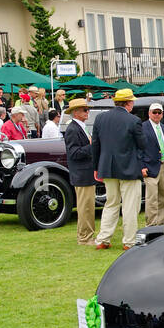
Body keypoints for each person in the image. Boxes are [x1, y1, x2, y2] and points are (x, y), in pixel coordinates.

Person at [92, 88, 148, 250]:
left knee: (111, 203)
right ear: (129, 103)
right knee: (130, 206)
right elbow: (142, 144)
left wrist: (96, 167)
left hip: (107, 167)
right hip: (129, 168)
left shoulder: (101, 118)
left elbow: (95, 145)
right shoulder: (134, 120)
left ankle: (103, 239)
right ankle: (129, 241)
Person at [62, 98, 97, 246]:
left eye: (87, 109)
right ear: (75, 112)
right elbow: (74, 153)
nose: (87, 112)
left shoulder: (80, 127)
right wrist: (91, 146)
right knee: (85, 207)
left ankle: (87, 235)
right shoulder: (72, 129)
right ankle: (84, 237)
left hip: (86, 173)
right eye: (84, 110)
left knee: (89, 206)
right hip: (81, 174)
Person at [141, 103, 164, 227]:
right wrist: (142, 166)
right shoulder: (142, 127)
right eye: (154, 112)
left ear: (162, 114)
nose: (156, 115)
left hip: (163, 165)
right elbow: (138, 148)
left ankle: (160, 222)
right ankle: (151, 224)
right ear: (149, 113)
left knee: (163, 196)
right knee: (151, 197)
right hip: (149, 166)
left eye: (159, 112)